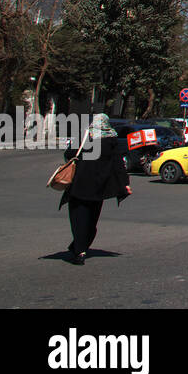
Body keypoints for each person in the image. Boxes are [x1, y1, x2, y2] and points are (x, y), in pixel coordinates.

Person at [60, 114, 131, 265]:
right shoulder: (111, 140)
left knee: (78, 219)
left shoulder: (85, 136)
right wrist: (125, 184)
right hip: (99, 188)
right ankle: (80, 247)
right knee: (91, 220)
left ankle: (79, 250)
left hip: (79, 185)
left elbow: (69, 154)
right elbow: (118, 164)